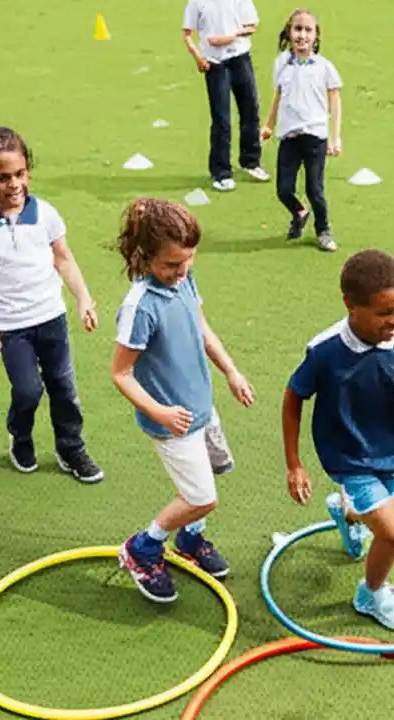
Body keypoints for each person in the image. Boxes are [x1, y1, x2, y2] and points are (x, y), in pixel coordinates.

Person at [281, 249, 394, 630]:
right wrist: (294, 464)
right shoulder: (325, 350)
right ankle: (371, 594)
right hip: (348, 456)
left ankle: (346, 512)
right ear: (351, 305)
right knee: (391, 534)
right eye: (385, 312)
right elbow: (293, 398)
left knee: (377, 512)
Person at [111, 199, 256, 602]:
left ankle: (190, 541)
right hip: (170, 423)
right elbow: (119, 373)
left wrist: (231, 371)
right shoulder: (140, 306)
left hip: (201, 407)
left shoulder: (184, 281)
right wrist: (158, 411)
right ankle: (143, 547)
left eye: (187, 262)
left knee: (214, 472)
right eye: (170, 266)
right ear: (146, 256)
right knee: (200, 497)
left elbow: (202, 328)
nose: (179, 273)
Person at [0, 126, 104, 483]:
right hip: (10, 327)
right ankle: (19, 435)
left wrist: (83, 298)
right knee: (28, 390)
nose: (14, 184)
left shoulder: (46, 213)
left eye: (20, 174)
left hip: (51, 318)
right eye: (3, 177)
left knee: (64, 388)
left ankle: (71, 448)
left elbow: (64, 259)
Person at [261, 8, 343, 252]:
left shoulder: (325, 67)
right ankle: (299, 213)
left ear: (316, 36)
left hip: (316, 136)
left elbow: (335, 102)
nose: (302, 35)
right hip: (289, 137)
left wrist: (335, 137)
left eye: (308, 30)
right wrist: (268, 124)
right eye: (298, 29)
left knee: (314, 189)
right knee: (283, 189)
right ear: (289, 32)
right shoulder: (282, 65)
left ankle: (323, 230)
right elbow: (279, 97)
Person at [183, 0, 272, 191]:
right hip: (215, 64)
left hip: (240, 59)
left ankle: (251, 161)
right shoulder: (197, 2)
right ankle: (221, 171)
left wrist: (233, 36)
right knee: (222, 118)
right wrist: (198, 57)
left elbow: (253, 25)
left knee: (250, 109)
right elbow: (188, 34)